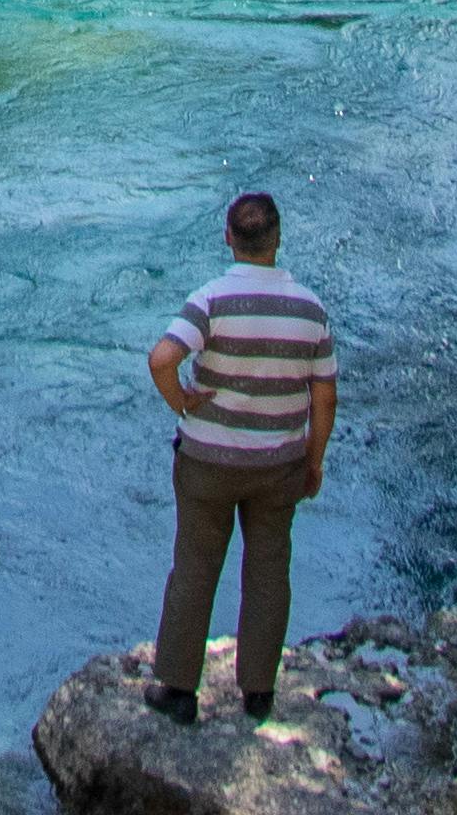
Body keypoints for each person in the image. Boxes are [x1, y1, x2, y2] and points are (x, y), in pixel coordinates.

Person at [145, 189, 339, 722]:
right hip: (278, 465)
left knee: (194, 567)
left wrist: (181, 400)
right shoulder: (311, 310)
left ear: (229, 238)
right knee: (269, 570)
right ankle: (258, 693)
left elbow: (162, 358)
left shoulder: (209, 299)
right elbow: (325, 396)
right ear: (277, 239)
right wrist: (313, 460)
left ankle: (179, 691)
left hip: (208, 461)